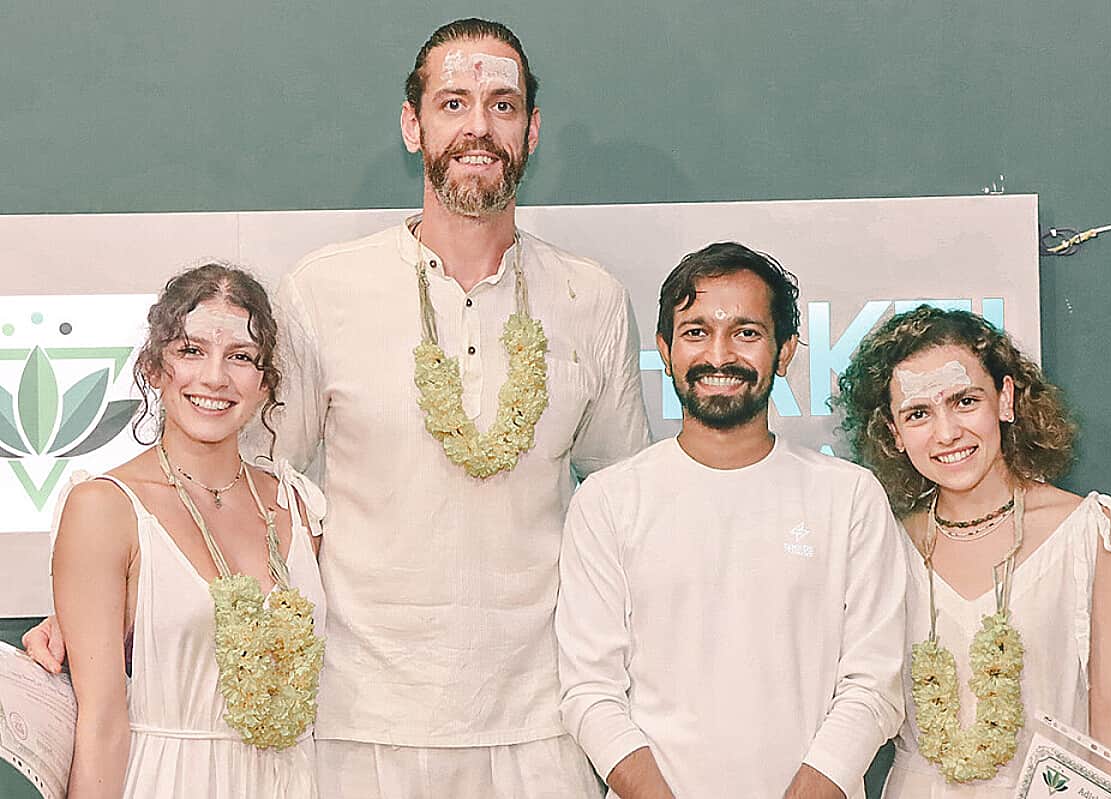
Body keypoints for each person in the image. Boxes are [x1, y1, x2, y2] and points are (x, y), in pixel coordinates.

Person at [25, 18, 647, 798]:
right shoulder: (326, 291)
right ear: (412, 126)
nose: (479, 127)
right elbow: (248, 487)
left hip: (541, 726)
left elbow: (633, 511)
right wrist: (104, 602)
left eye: (503, 104)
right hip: (359, 729)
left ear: (532, 128)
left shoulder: (590, 299)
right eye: (453, 103)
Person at [556, 242, 906, 799]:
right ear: (665, 350)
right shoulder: (608, 501)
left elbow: (874, 684)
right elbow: (590, 693)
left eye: (746, 332)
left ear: (784, 351)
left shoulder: (849, 497)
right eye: (696, 332)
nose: (719, 355)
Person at [833, 305, 1111, 798]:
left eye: (964, 401)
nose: (946, 434)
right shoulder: (882, 543)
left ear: (1005, 399)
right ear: (894, 434)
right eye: (918, 414)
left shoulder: (1089, 533)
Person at [49, 262, 326, 798]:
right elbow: (102, 723)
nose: (216, 378)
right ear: (155, 367)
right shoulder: (104, 508)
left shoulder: (297, 508)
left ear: (266, 383)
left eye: (241, 357)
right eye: (191, 350)